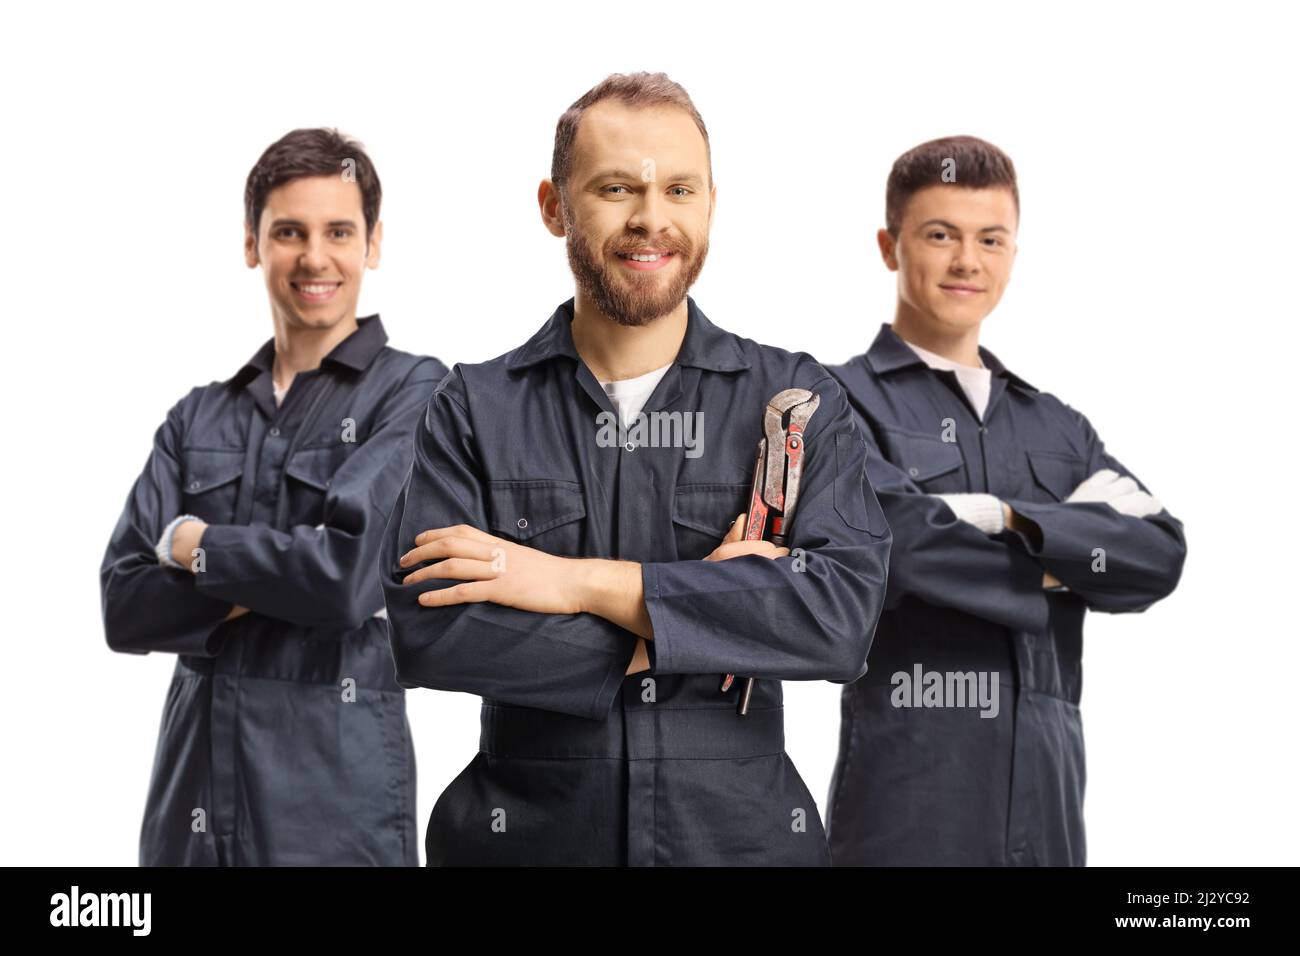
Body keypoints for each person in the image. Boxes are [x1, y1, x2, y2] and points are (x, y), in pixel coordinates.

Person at [380, 72, 891, 866]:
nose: (652, 218)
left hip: (742, 847)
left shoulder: (793, 398)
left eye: (680, 188)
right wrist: (703, 619)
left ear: (711, 203)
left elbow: (839, 618)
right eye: (617, 187)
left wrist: (572, 582)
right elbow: (431, 631)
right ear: (554, 206)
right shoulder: (474, 407)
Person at [823, 135, 1187, 866]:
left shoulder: (1056, 424)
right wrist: (1070, 550)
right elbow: (899, 549)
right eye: (940, 235)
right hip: (910, 793)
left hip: (1049, 797)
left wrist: (1007, 520)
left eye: (991, 238)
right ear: (889, 246)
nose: (968, 261)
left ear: (1014, 253)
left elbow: (1160, 555)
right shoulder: (838, 401)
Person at [100, 128, 448, 865]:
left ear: (373, 244)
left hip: (333, 814)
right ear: (253, 244)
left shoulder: (415, 393)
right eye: (288, 232)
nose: (314, 257)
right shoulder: (198, 416)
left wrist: (196, 548)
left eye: (338, 232)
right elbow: (124, 605)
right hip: (191, 807)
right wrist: (286, 566)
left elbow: (347, 580)